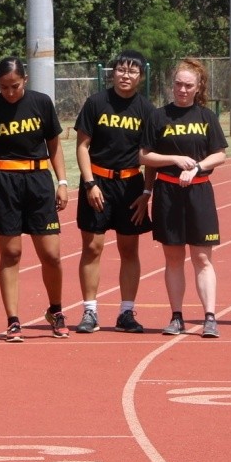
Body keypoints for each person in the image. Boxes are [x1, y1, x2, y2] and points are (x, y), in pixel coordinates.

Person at [0, 57, 71, 341]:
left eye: (14, 86)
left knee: (51, 254)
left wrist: (62, 183)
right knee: (11, 254)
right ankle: (13, 320)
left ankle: (56, 310)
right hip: (4, 184)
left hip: (38, 182)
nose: (9, 92)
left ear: (24, 80)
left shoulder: (41, 103)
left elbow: (55, 146)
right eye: (3, 87)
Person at [141, 58, 229, 338]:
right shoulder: (157, 116)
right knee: (174, 256)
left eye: (187, 85)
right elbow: (144, 156)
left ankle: (210, 317)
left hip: (199, 191)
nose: (181, 89)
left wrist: (198, 168)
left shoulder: (207, 117)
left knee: (202, 257)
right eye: (178, 84)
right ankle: (176, 316)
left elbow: (220, 155)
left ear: (198, 86)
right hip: (167, 192)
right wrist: (175, 159)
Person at [72, 50, 154, 333]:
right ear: (113, 72)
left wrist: (146, 192)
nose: (125, 76)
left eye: (132, 71)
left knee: (129, 249)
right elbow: (82, 146)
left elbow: (149, 155)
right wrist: (89, 183)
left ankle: (126, 312)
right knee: (92, 248)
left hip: (130, 185)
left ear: (140, 77)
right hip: (98, 183)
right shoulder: (96, 103)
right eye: (121, 70)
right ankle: (90, 312)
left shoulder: (146, 109)